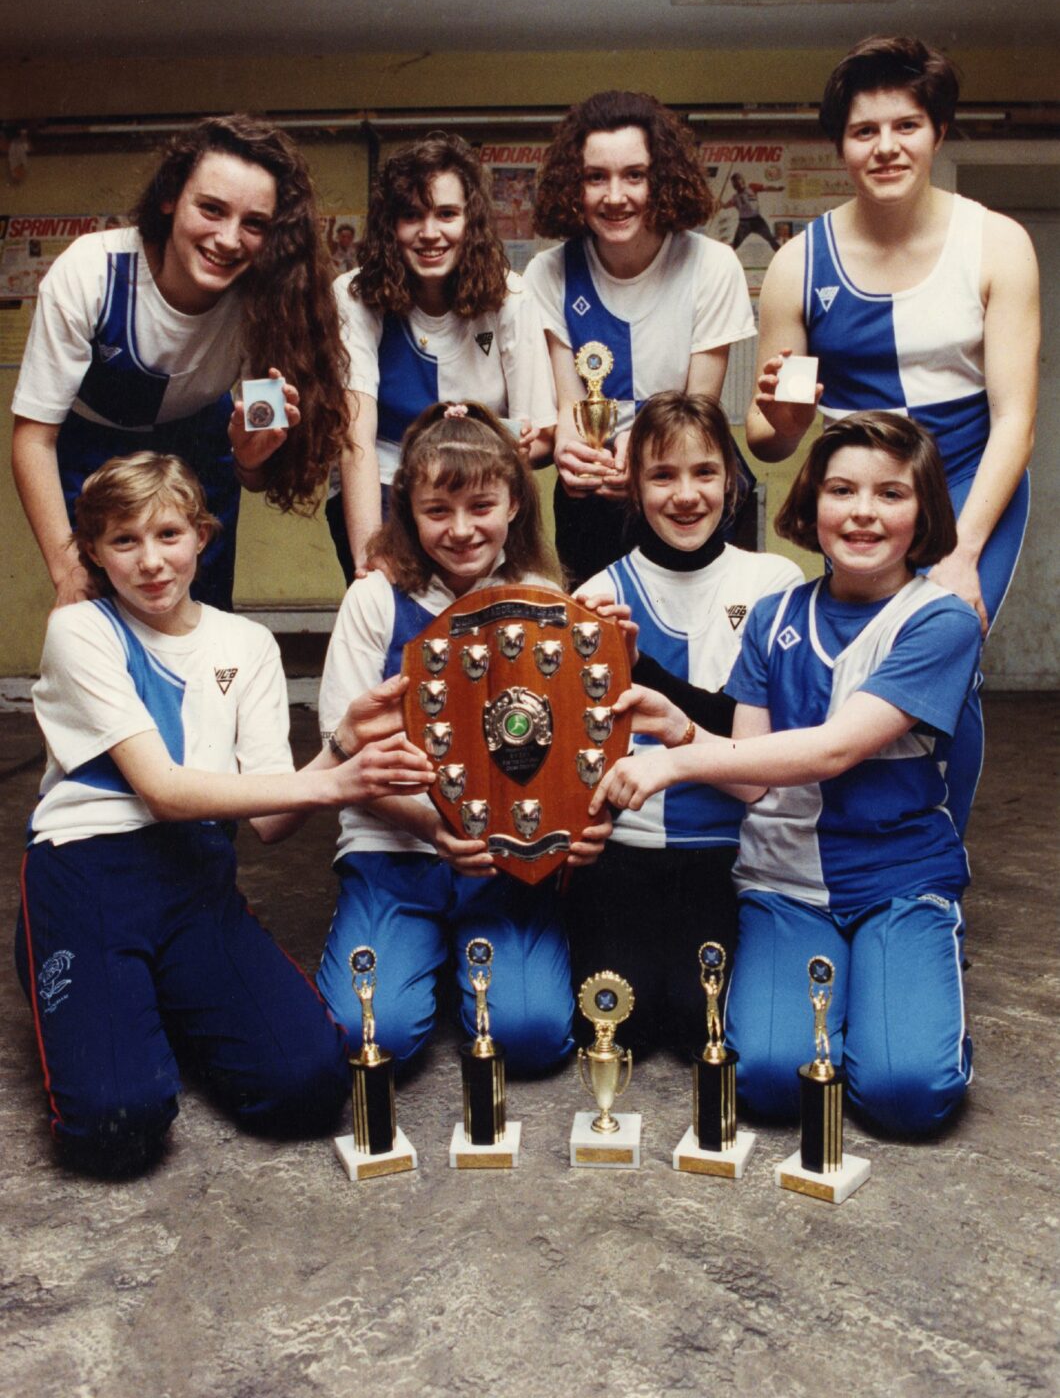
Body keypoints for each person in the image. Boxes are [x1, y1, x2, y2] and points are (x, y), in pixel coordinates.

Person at [17, 452, 434, 1176]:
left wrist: (340, 744)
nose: (151, 562)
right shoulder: (80, 631)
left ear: (203, 537)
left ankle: (152, 997)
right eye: (124, 541)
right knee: (118, 1127)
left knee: (310, 1086)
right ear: (93, 550)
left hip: (194, 879)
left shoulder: (246, 644)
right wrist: (338, 785)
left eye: (169, 535)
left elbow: (272, 818)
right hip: (88, 874)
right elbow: (163, 790)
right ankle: (85, 980)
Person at [589, 414, 982, 1136]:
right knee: (768, 1083)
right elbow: (749, 779)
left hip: (898, 880)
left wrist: (675, 761)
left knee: (904, 1095)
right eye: (841, 490)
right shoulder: (773, 617)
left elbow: (833, 749)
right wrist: (678, 725)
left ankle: (911, 979)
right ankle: (865, 985)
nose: (863, 511)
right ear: (812, 502)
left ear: (924, 511)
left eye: (891, 494)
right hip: (784, 883)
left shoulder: (942, 621)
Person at [744, 35, 1039, 833]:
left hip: (971, 487)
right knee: (856, 665)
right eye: (864, 131)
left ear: (937, 131)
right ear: (841, 145)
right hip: (862, 492)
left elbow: (1017, 416)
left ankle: (936, 863)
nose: (886, 147)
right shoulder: (800, 263)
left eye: (905, 125)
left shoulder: (997, 242)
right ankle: (837, 842)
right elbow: (766, 441)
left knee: (948, 660)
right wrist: (790, 419)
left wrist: (964, 552)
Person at [316, 402, 608, 1070]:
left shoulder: (538, 592)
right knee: (374, 1037)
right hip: (395, 848)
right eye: (437, 510)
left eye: (481, 506)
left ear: (513, 504)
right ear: (407, 512)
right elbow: (343, 760)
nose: (461, 530)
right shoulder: (375, 598)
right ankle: (415, 954)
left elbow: (566, 747)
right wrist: (433, 828)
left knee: (532, 1038)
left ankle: (480, 961)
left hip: (507, 853)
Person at [12, 114, 349, 612]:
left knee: (201, 623)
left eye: (254, 223)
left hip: (201, 452)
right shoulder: (91, 273)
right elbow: (34, 438)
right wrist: (68, 572)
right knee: (97, 622)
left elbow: (255, 472)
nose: (229, 239)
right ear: (170, 198)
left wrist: (251, 457)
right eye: (211, 209)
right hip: (89, 452)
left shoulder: (271, 303)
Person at [567, 392, 802, 1052]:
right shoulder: (599, 596)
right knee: (619, 1023)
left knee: (694, 1021)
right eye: (662, 475)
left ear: (732, 481)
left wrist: (646, 673)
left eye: (704, 472)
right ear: (634, 488)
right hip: (627, 851)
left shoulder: (773, 582)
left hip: (734, 851)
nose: (686, 495)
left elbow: (770, 743)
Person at [524, 89, 756, 586]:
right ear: (573, 185)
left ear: (663, 178)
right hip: (596, 499)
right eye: (595, 177)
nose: (614, 197)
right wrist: (568, 446)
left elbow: (698, 409)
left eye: (635, 175)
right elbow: (570, 405)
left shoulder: (712, 266)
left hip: (688, 483)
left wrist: (649, 446)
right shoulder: (548, 273)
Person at [329, 133, 556, 583]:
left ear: (470, 221)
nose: (429, 233)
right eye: (412, 216)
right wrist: (369, 558)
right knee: (399, 628)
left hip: (481, 491)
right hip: (385, 490)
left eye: (446, 214)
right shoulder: (354, 295)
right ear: (390, 226)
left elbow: (544, 437)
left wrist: (512, 452)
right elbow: (356, 440)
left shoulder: (511, 295)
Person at [718, 172, 783, 253]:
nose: (738, 184)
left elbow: (766, 188)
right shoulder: (734, 198)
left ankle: (782, 255)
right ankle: (723, 256)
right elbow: (725, 206)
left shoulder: (752, 187)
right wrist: (719, 203)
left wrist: (777, 189)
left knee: (771, 239)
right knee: (735, 245)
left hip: (757, 221)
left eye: (739, 180)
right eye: (736, 183)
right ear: (734, 186)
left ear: (743, 181)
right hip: (744, 224)